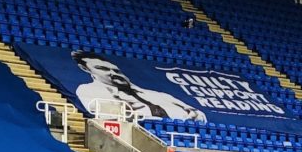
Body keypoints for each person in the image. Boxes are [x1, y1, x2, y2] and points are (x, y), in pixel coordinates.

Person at [72, 50, 206, 122]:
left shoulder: (160, 95)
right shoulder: (88, 90)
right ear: (85, 69)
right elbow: (116, 116)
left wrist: (192, 116)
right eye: (103, 69)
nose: (113, 73)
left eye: (116, 70)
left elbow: (199, 114)